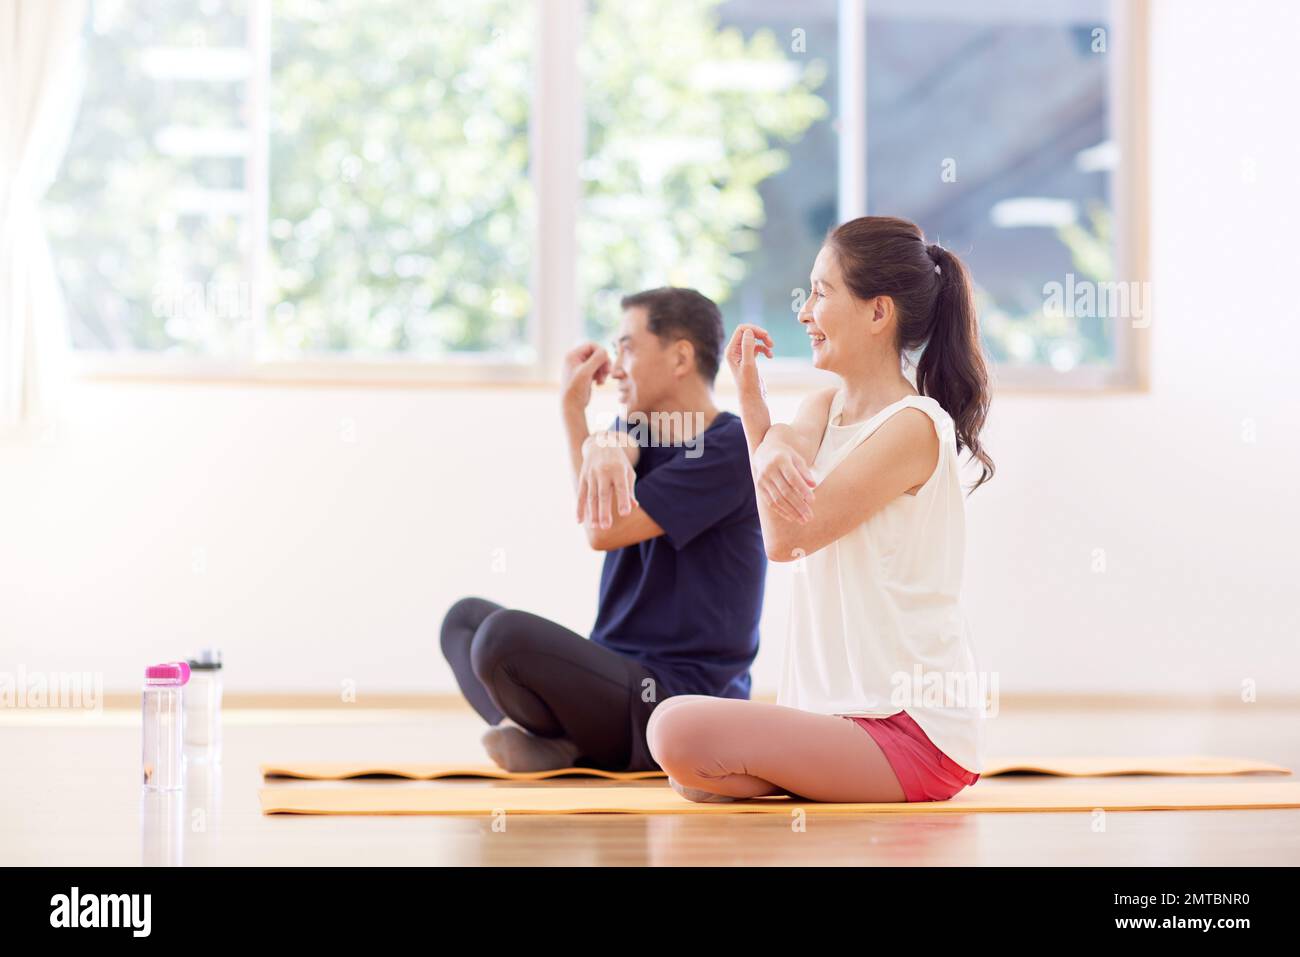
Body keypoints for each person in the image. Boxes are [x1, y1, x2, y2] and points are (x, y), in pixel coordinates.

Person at [647, 215, 995, 803]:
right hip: (836, 719)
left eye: (821, 293)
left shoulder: (913, 427)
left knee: (675, 728)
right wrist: (755, 407)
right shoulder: (824, 406)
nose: (805, 312)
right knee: (694, 776)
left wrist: (772, 445)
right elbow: (781, 450)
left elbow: (785, 538)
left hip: (911, 727)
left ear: (878, 312)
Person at [439, 287, 766, 773]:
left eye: (628, 348)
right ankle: (560, 743)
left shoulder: (728, 448)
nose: (615, 367)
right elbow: (599, 495)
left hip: (677, 698)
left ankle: (560, 741)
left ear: (680, 357)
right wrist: (587, 426)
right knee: (464, 620)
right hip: (614, 674)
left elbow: (603, 531)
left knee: (501, 638)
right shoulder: (636, 432)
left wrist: (597, 437)